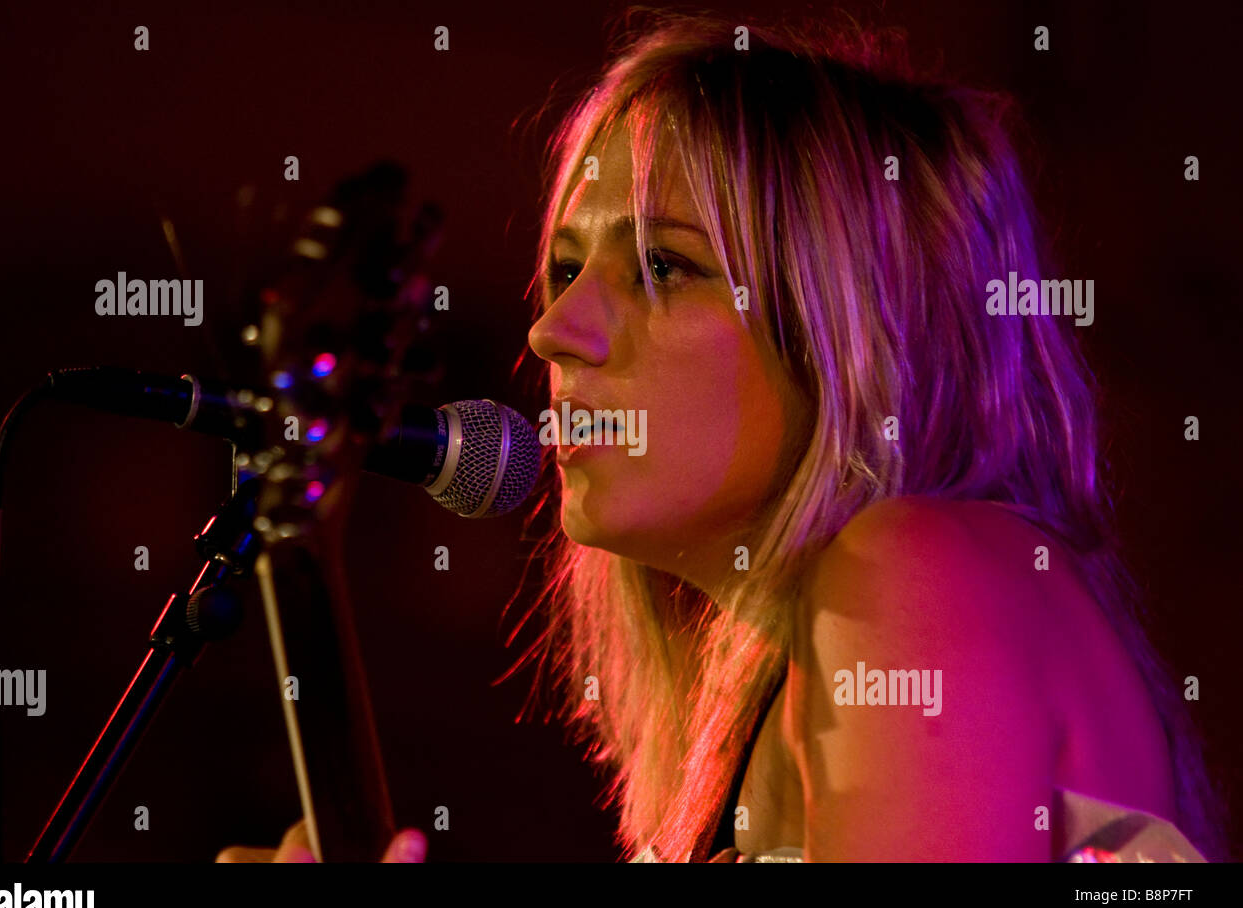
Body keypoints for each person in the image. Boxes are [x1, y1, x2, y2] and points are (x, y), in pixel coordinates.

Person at [221, 11, 1229, 863]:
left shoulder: (921, 562)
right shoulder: (765, 703)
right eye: (566, 266)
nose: (553, 329)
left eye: (664, 267)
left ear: (855, 331)